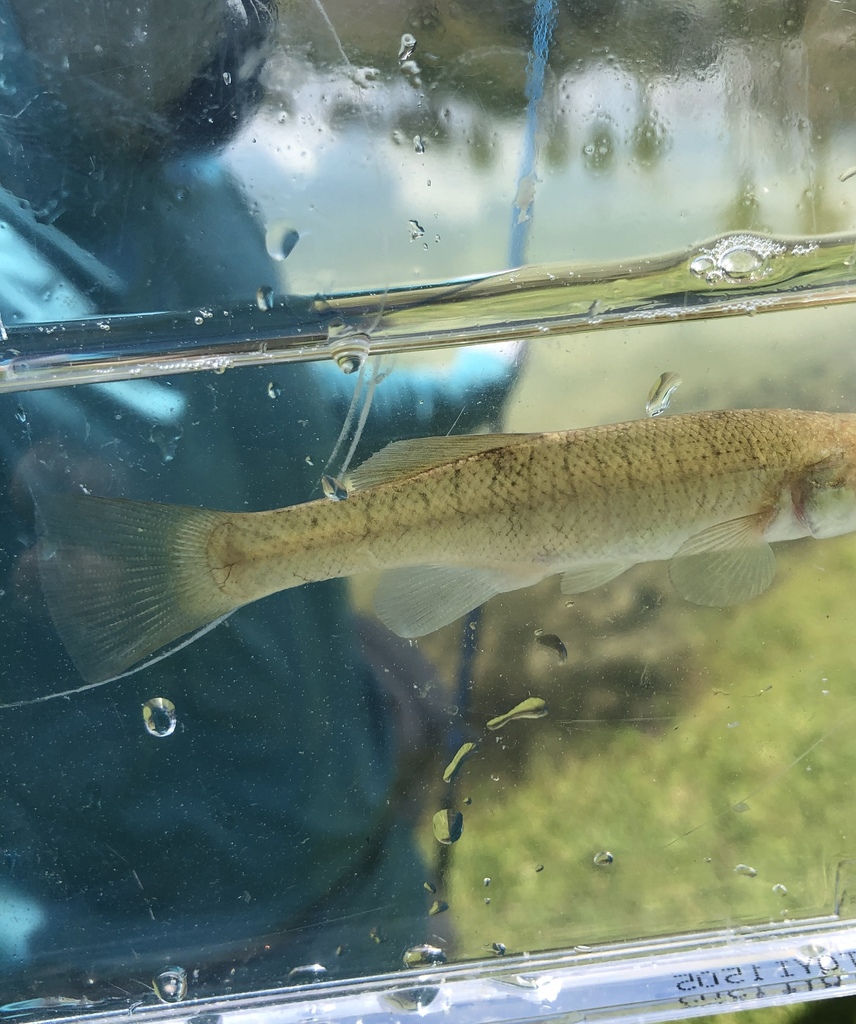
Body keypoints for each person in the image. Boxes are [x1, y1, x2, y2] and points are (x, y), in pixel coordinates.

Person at [0, 0, 516, 1005]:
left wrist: (492, 366)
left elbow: (291, 410)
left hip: (365, 894)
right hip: (107, 977)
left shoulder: (195, 182)